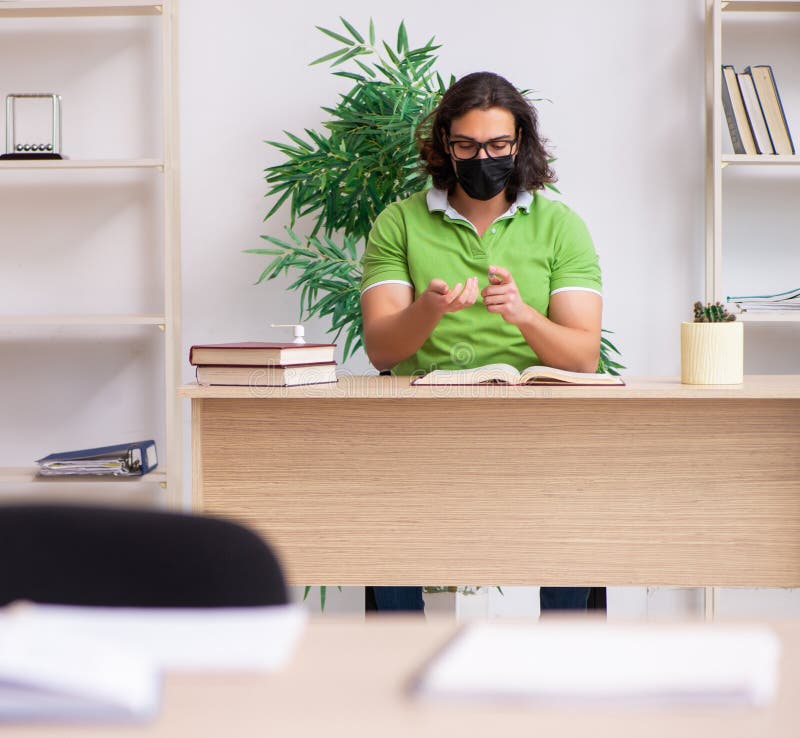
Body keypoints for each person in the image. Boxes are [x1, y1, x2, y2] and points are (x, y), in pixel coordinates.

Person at [359, 71, 602, 613]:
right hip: (421, 429)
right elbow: (382, 350)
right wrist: (429, 309)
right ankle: (389, 656)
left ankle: (568, 657)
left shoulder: (561, 226)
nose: (483, 157)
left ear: (520, 143)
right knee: (382, 502)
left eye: (497, 145)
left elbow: (583, 355)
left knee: (580, 497)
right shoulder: (398, 223)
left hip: (535, 428)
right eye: (467, 145)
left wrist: (524, 317)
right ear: (445, 142)